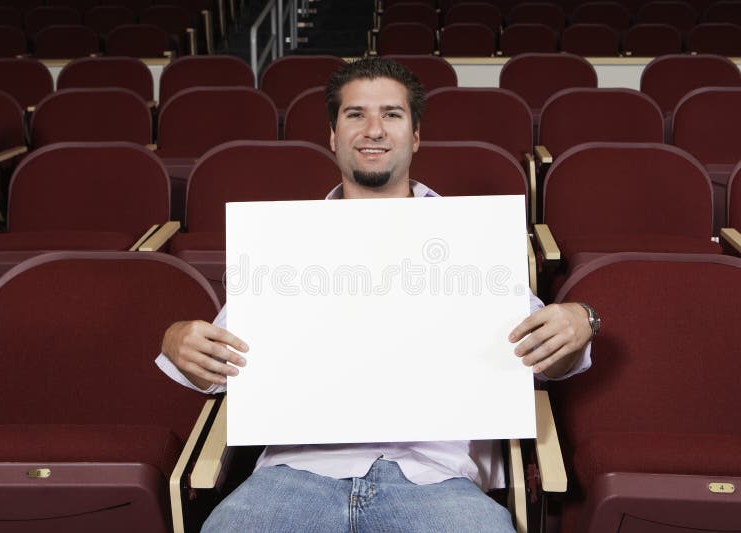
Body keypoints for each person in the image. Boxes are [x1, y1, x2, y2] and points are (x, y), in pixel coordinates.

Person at [157, 57, 596, 532]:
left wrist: (578, 322)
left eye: (391, 114)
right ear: (332, 135)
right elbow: (219, 370)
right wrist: (178, 340)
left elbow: (544, 357)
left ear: (415, 134)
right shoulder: (286, 241)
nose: (374, 129)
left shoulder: (470, 238)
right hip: (292, 478)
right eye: (355, 114)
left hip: (435, 482)